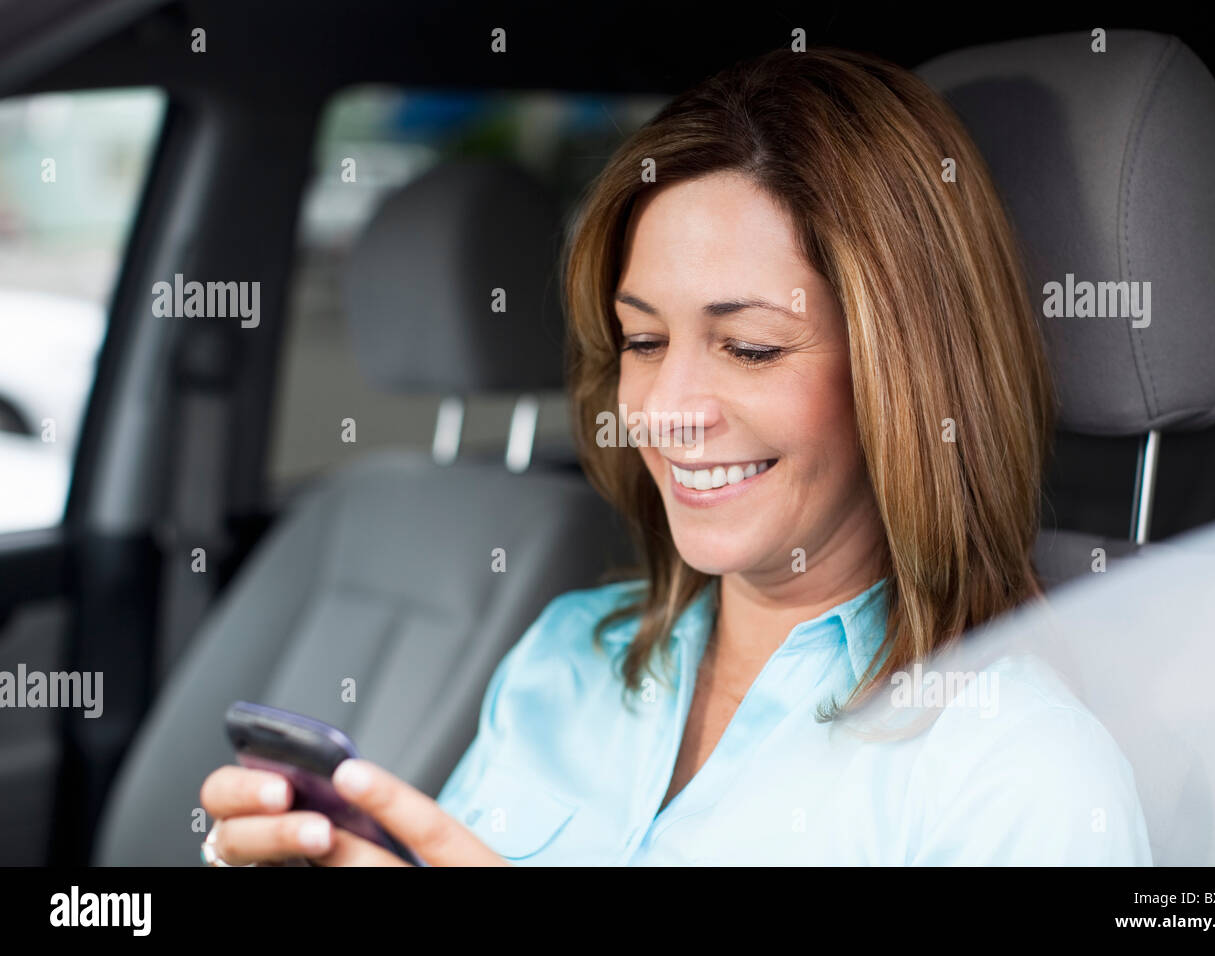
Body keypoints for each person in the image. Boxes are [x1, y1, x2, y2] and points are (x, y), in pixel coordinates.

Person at [198, 46, 1152, 866]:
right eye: (643, 342)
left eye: (750, 348)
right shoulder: (568, 654)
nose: (666, 412)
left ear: (912, 373)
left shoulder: (1017, 774)